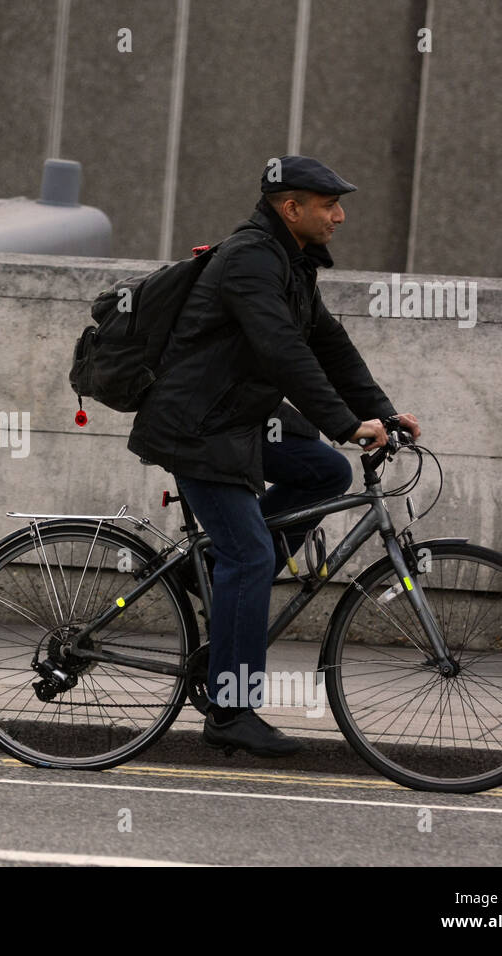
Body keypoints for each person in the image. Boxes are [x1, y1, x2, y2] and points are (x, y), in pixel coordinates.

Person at [127, 155, 421, 756]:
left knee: (324, 471)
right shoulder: (250, 262)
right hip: (198, 429)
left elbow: (328, 344)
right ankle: (231, 712)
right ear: (292, 208)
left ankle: (206, 569)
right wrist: (344, 422)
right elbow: (283, 350)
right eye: (329, 205)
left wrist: (383, 412)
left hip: (236, 420)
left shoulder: (290, 264)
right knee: (252, 555)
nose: (339, 216)